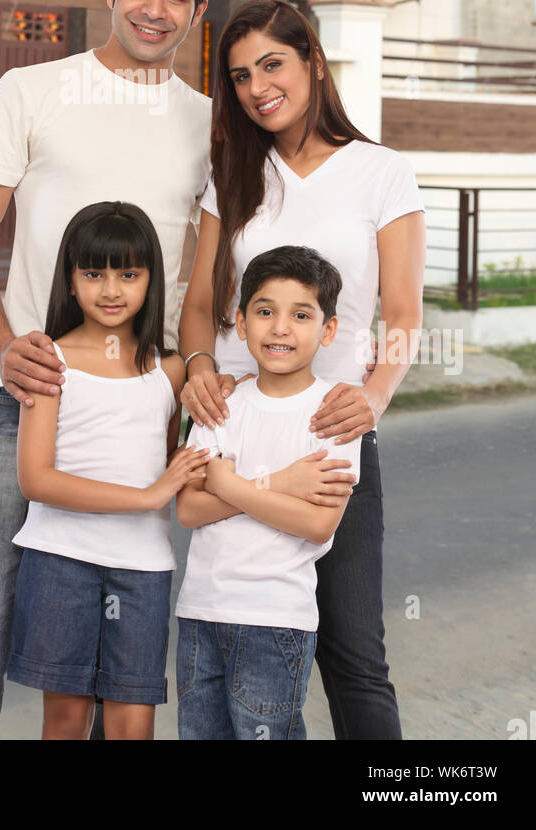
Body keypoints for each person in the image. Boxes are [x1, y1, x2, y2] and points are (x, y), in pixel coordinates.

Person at [0, 0, 213, 740]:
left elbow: (211, 269)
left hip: (140, 410)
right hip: (34, 397)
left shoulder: (206, 123)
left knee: (115, 644)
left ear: (195, 13)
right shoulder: (31, 89)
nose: (155, 8)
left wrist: (196, 368)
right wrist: (3, 347)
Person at [179, 0, 425, 740]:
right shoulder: (235, 174)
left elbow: (406, 316)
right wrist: (196, 367)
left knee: (352, 653)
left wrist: (373, 399)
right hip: (235, 431)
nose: (257, 88)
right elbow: (198, 305)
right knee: (231, 635)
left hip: (330, 436)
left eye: (272, 65)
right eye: (241, 75)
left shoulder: (382, 172)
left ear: (313, 61)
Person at [7, 201, 208, 740]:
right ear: (71, 281)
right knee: (67, 722)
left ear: (150, 280)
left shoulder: (168, 370)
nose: (111, 289)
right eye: (93, 273)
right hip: (60, 563)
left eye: (129, 273)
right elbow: (36, 480)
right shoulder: (49, 360)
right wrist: (146, 497)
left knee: (132, 728)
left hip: (142, 570)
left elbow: (168, 463)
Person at [176, 245, 360, 740]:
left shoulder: (335, 413)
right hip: (201, 611)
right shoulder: (221, 403)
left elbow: (317, 523)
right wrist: (280, 484)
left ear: (328, 330)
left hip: (275, 617)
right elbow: (190, 508)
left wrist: (227, 482)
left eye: (301, 315)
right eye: (264, 311)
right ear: (240, 322)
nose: (280, 328)